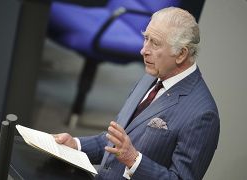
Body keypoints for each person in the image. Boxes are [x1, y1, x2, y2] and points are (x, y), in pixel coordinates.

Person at [54, 7, 220, 180]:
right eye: (145, 38)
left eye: (155, 43)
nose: (143, 50)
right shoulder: (151, 76)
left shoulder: (203, 115)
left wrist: (134, 160)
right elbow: (117, 143)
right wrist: (76, 145)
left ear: (181, 54)